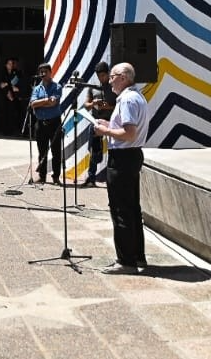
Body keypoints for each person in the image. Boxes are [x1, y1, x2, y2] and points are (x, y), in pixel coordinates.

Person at [93, 62, 148, 274]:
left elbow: (129, 133)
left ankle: (126, 261)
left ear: (124, 77)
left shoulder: (126, 99)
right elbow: (127, 130)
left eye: (113, 76)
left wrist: (104, 132)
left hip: (123, 157)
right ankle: (138, 256)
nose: (110, 80)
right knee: (132, 208)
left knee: (121, 209)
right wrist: (108, 126)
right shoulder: (137, 96)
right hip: (132, 155)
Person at [29, 64, 63, 185]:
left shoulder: (57, 86)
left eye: (45, 72)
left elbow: (53, 103)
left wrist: (40, 103)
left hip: (54, 123)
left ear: (50, 72)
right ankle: (42, 176)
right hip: (40, 124)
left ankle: (56, 177)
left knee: (56, 152)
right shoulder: (37, 88)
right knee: (42, 151)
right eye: (41, 72)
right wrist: (45, 101)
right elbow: (32, 104)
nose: (43, 74)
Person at [83, 62, 115, 186]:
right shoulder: (92, 87)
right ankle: (91, 178)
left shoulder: (114, 87)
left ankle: (111, 177)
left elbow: (121, 105)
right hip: (96, 122)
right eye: (99, 76)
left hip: (111, 123)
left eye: (103, 75)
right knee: (94, 150)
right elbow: (86, 105)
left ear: (108, 74)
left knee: (113, 150)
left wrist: (109, 106)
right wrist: (93, 104)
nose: (101, 78)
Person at [0, 58, 25, 136]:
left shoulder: (15, 73)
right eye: (9, 63)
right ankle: (4, 131)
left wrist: (8, 85)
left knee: (11, 113)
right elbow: (1, 85)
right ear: (5, 65)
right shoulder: (2, 73)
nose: (10, 65)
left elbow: (16, 83)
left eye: (12, 63)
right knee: (4, 112)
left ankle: (11, 131)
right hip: (4, 95)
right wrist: (7, 90)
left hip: (13, 96)